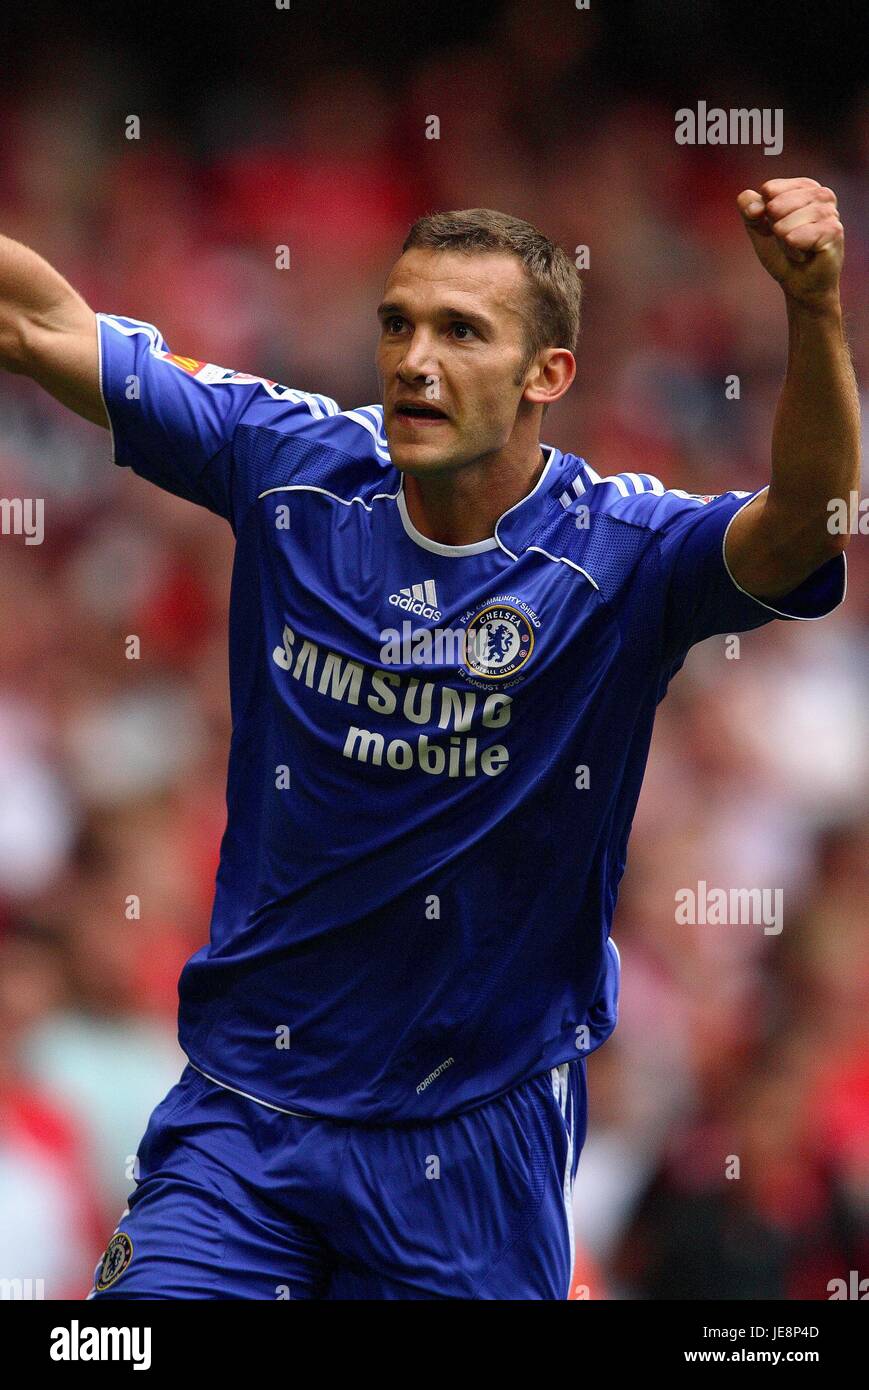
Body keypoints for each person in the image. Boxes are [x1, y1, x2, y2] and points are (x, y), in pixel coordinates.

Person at [0, 180, 858, 1299]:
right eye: (397, 323)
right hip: (248, 1111)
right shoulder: (290, 463)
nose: (413, 358)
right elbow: (36, 323)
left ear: (546, 374)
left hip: (469, 1141)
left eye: (461, 331)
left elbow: (806, 523)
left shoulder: (621, 558)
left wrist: (813, 309)